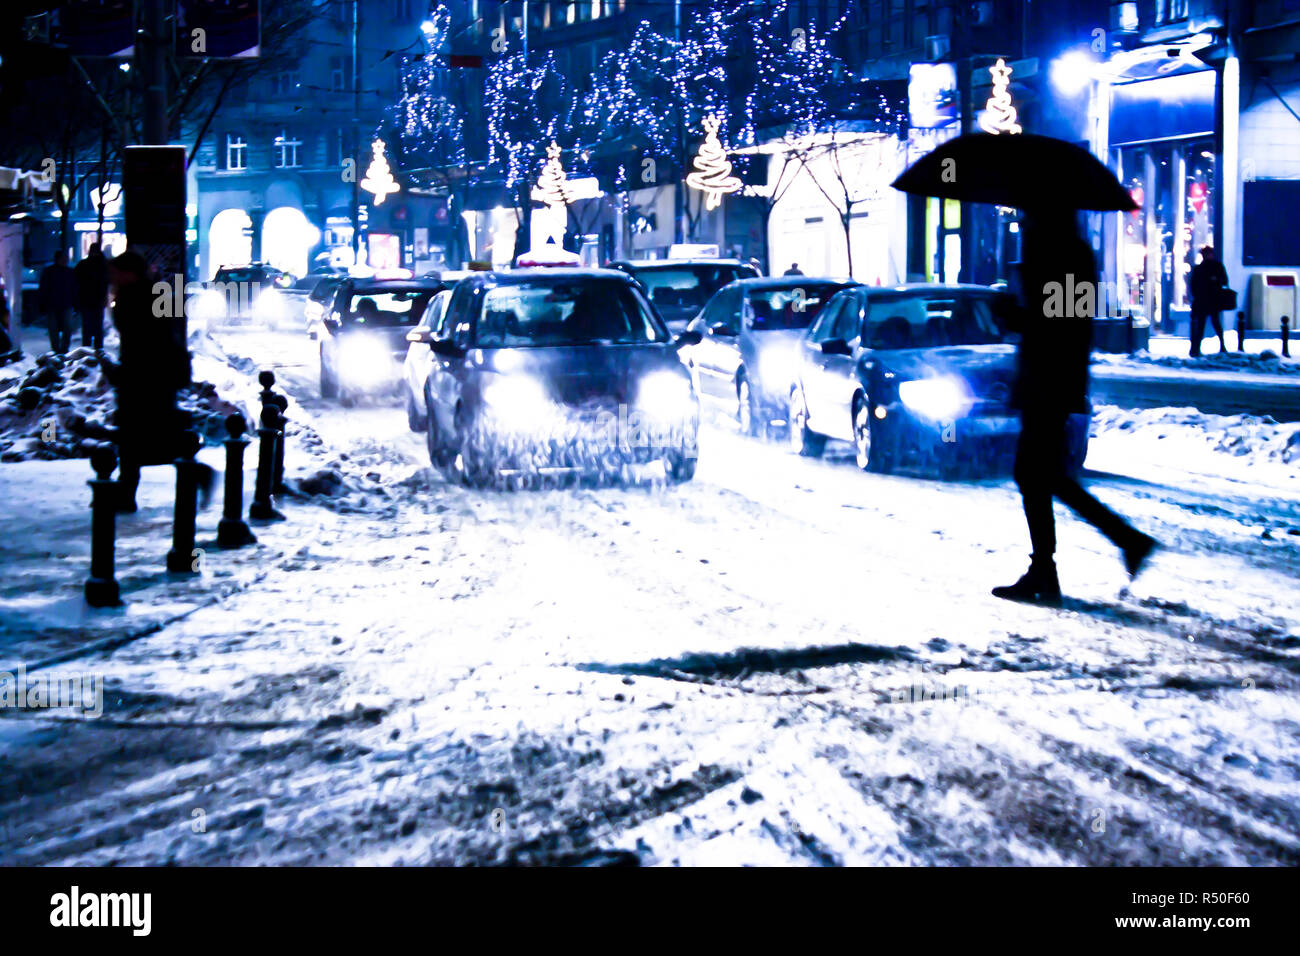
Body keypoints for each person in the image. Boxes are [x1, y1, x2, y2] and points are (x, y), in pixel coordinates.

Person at [992, 206, 1157, 604]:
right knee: (1044, 475)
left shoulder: (1057, 253)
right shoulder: (1074, 251)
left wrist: (1015, 314)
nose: (1024, 215)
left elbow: (1056, 322)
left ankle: (1052, 570)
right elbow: (1069, 318)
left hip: (1048, 379)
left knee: (1034, 474)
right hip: (1057, 377)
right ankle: (1076, 558)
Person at [104, 250, 212, 513]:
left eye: (117, 272)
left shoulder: (137, 297)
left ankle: (195, 474)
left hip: (148, 378)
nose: (113, 277)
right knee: (142, 436)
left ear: (130, 273)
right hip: (153, 376)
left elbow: (145, 343)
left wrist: (123, 373)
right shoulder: (150, 294)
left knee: (139, 436)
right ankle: (128, 492)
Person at [1188, 245, 1228, 357]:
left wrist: (1197, 295)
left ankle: (1196, 348)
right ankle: (1221, 346)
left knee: (1202, 324)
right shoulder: (1216, 267)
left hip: (1204, 300)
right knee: (1212, 323)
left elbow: (1193, 285)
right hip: (1211, 299)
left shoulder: (1199, 268)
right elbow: (1224, 281)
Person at [37, 250, 76, 354]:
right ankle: (60, 348)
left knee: (57, 328)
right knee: (61, 327)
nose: (66, 260)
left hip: (58, 303)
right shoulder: (68, 272)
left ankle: (59, 348)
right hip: (59, 303)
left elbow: (43, 288)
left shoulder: (50, 271)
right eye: (64, 258)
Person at [74, 242, 110, 350]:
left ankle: (86, 349)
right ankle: (98, 349)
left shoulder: (83, 264)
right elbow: (106, 281)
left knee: (87, 327)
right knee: (98, 326)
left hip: (86, 299)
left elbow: (76, 281)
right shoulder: (103, 265)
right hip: (98, 299)